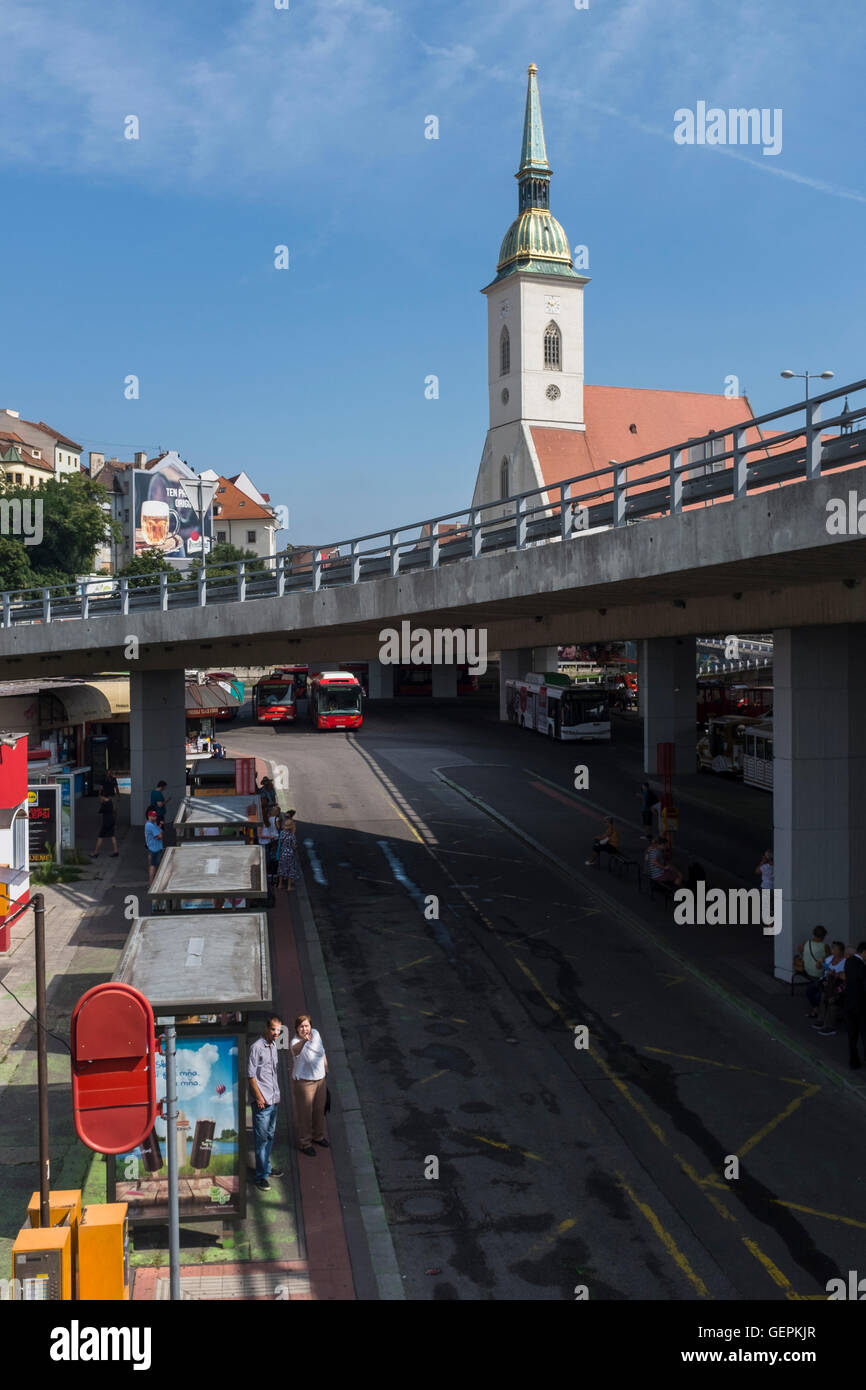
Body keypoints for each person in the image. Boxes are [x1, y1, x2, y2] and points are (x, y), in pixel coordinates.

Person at [248, 1016, 285, 1190]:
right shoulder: (256, 1048)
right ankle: (260, 1176)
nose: (276, 1033)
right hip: (263, 1102)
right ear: (266, 1028)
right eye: (273, 1029)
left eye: (278, 1030)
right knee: (261, 1139)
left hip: (274, 1099)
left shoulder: (274, 1046)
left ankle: (267, 1169)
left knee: (269, 1136)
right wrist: (259, 1097)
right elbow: (251, 1075)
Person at [290, 1013, 328, 1157]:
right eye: (301, 1027)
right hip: (304, 1083)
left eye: (307, 1026)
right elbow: (296, 1051)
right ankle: (305, 1143)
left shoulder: (316, 1034)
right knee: (305, 1114)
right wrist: (304, 1041)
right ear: (296, 1029)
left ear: (311, 1026)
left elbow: (321, 1050)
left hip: (320, 1079)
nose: (305, 1029)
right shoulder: (295, 1042)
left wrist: (326, 1064)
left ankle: (318, 1136)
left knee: (319, 1110)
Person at [813, 941, 847, 1036]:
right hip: (827, 984)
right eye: (833, 949)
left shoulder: (845, 961)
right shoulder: (830, 958)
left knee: (831, 1000)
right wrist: (819, 962)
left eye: (835, 949)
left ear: (841, 951)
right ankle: (821, 1020)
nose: (833, 951)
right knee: (824, 996)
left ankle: (830, 1026)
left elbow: (845, 977)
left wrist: (834, 974)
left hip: (837, 986)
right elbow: (818, 967)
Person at [798, 925, 829, 1019]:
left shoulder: (806, 943)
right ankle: (818, 1007)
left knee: (812, 988)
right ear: (823, 936)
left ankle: (815, 1007)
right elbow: (830, 960)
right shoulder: (825, 946)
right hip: (818, 973)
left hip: (806, 971)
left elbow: (799, 950)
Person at [844, 942, 866, 1070]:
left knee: (852, 1036)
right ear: (864, 952)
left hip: (849, 1004)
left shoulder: (849, 962)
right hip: (861, 1005)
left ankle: (854, 1061)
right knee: (864, 1033)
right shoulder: (862, 967)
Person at [277, 809, 300, 892]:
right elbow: (294, 846)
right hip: (290, 854)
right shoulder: (292, 836)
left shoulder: (282, 833)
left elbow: (280, 841)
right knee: (290, 870)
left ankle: (280, 884)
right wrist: (294, 847)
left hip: (282, 853)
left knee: (281, 869)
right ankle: (289, 886)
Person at [91, 791, 118, 858]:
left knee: (100, 837)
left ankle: (95, 853)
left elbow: (100, 811)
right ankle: (116, 851)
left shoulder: (104, 803)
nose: (100, 798)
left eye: (100, 797)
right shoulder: (110, 801)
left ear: (103, 796)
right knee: (112, 836)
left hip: (106, 822)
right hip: (111, 820)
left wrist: (101, 802)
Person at [258, 805, 279, 879]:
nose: (269, 815)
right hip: (263, 844)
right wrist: (270, 837)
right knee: (265, 860)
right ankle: (264, 875)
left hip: (268, 843)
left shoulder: (267, 821)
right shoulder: (260, 823)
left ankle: (267, 874)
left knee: (269, 859)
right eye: (268, 814)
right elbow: (259, 835)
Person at [145, 807, 164, 886]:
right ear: (149, 816)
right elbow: (160, 835)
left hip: (153, 848)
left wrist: (159, 825)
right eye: (152, 816)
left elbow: (158, 834)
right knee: (153, 866)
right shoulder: (151, 825)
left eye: (155, 816)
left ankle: (152, 883)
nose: (154, 817)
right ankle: (152, 884)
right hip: (155, 849)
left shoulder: (151, 824)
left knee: (154, 865)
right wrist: (158, 836)